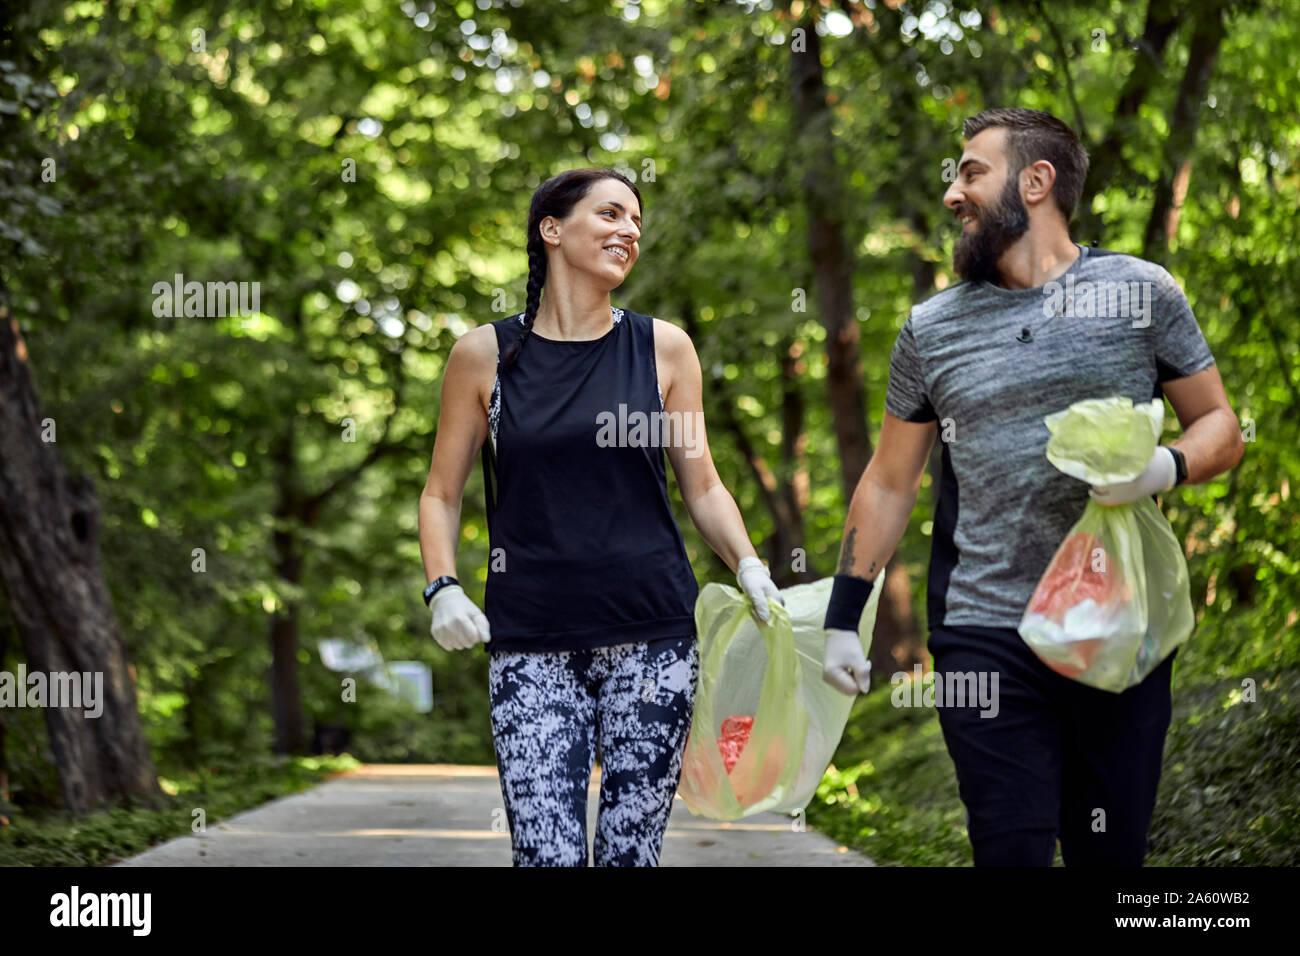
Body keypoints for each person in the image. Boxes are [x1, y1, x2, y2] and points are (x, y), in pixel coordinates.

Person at [820, 108, 1245, 866]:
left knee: (1108, 855)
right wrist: (840, 619)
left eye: (971, 172)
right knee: (1008, 845)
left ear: (1037, 181)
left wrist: (1164, 468)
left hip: (1117, 625)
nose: (952, 193)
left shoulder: (1140, 291)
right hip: (985, 632)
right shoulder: (931, 328)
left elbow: (1219, 423)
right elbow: (889, 482)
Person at [417, 168, 782, 866]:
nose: (630, 232)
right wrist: (443, 586)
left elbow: (702, 485)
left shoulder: (663, 348)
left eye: (637, 222)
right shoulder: (484, 357)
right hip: (529, 644)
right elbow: (440, 492)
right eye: (611, 214)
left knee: (628, 857)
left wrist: (750, 564)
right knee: (547, 857)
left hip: (654, 641)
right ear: (551, 230)